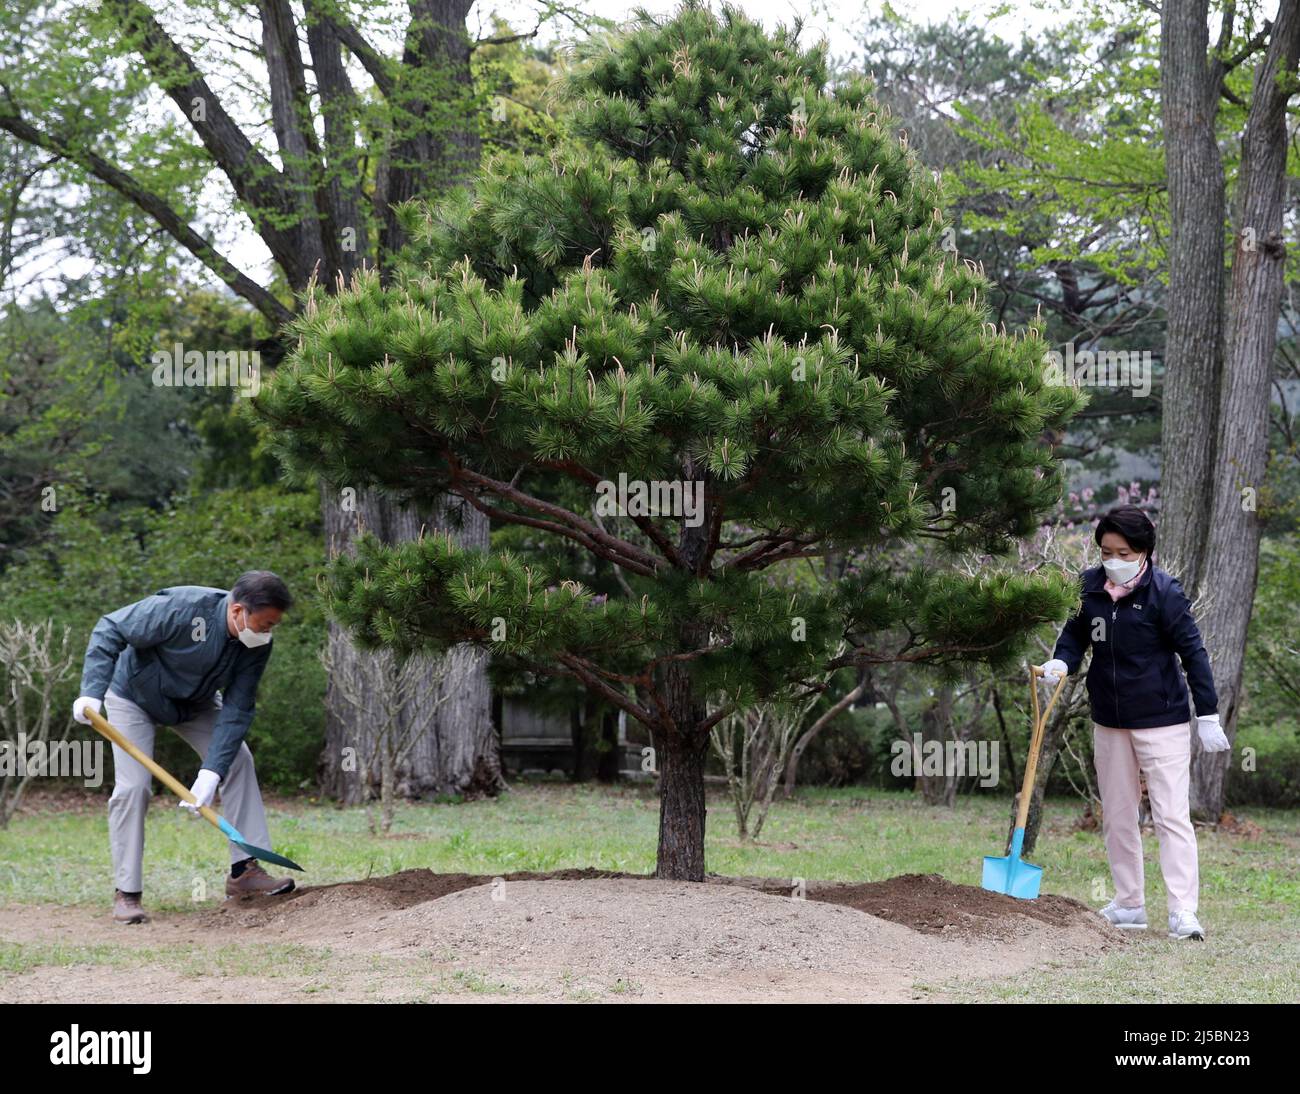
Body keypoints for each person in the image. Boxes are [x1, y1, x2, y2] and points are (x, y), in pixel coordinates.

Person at [1039, 504, 1229, 941]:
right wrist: (1060, 663)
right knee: (1119, 816)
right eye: (1106, 551)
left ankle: (1183, 911)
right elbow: (1073, 636)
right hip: (1109, 720)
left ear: (1144, 552)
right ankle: (1129, 904)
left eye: (1123, 552)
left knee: (1170, 817)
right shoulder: (1089, 588)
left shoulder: (1165, 592)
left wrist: (1208, 714)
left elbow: (1193, 654)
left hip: (1161, 721)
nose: (1113, 560)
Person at [73, 571, 296, 924]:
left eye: (273, 626)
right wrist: (91, 691)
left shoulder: (256, 645)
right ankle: (127, 892)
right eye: (265, 623)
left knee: (238, 759)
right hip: (133, 696)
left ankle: (245, 871)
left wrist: (211, 772)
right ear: (238, 610)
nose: (268, 632)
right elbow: (110, 627)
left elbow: (238, 708)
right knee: (133, 787)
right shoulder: (182, 607)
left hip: (195, 703)